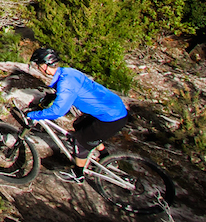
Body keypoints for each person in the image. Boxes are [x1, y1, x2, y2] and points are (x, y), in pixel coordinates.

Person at [25, 46, 130, 183]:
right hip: (114, 108)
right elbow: (72, 91)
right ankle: (105, 157)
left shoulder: (65, 83)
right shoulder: (68, 72)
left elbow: (58, 111)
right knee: (79, 124)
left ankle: (78, 174)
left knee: (80, 142)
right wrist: (50, 99)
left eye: (38, 65)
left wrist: (34, 115)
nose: (38, 68)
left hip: (111, 118)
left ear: (45, 66)